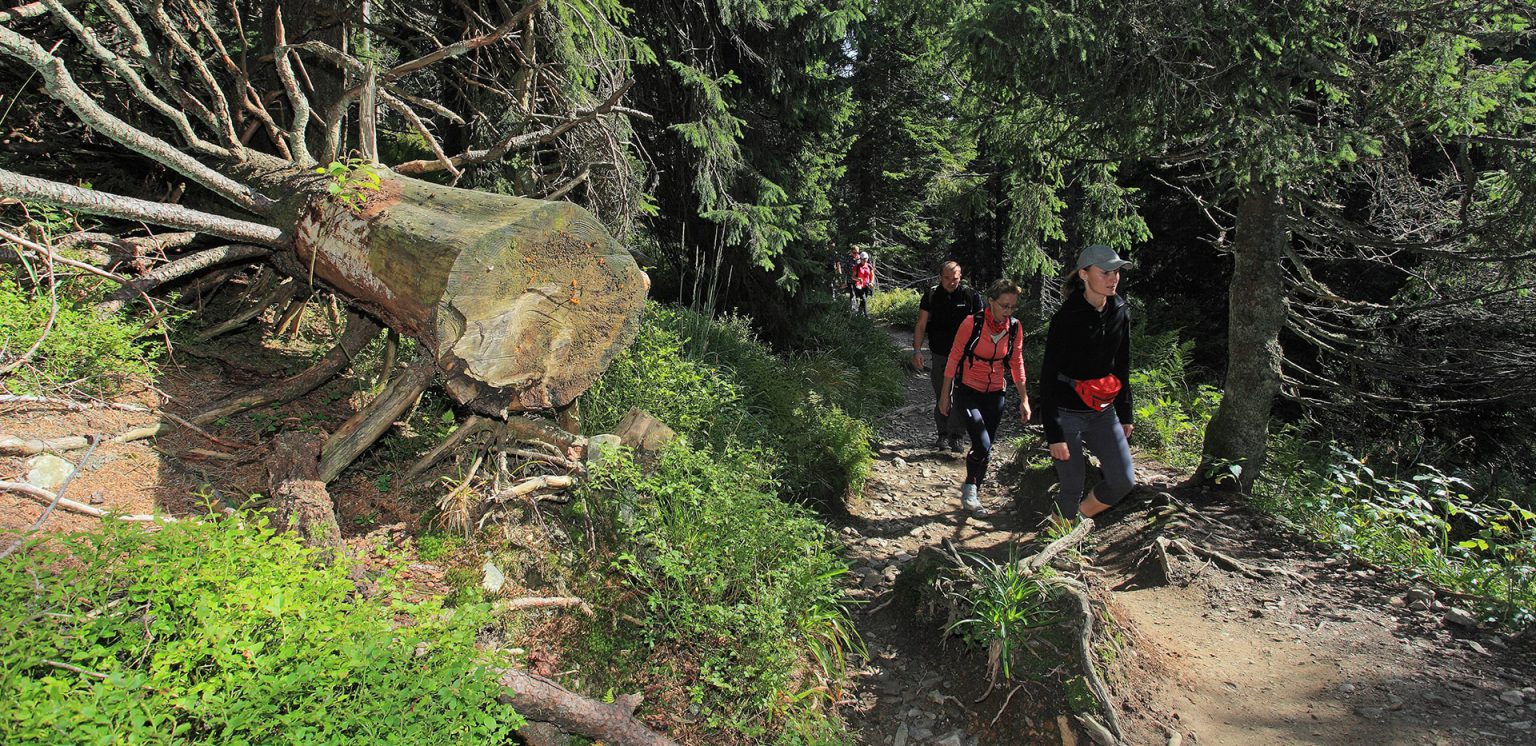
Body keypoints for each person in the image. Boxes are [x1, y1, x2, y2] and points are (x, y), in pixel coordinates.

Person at [1041, 244, 1137, 520]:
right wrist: (1054, 433)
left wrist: (1125, 413)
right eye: (1105, 272)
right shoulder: (1066, 319)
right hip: (1065, 412)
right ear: (1084, 274)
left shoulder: (1119, 310)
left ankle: (1075, 522)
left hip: (1102, 411)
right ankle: (1057, 540)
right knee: (1071, 485)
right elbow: (1047, 377)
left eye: (1117, 271)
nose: (1113, 278)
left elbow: (1122, 365)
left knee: (1123, 480)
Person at [939, 279, 1031, 514]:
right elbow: (954, 357)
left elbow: (1016, 362)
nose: (1008, 311)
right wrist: (945, 394)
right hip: (968, 390)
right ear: (991, 301)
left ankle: (974, 491)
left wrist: (1024, 399)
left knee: (986, 448)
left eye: (1012, 307)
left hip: (995, 393)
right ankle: (970, 489)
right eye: (1004, 305)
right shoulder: (972, 323)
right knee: (982, 442)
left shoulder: (1014, 327)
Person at [913, 261, 983, 452]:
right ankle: (942, 434)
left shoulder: (971, 296)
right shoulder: (932, 295)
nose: (951, 282)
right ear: (940, 277)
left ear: (960, 278)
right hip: (940, 353)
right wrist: (917, 350)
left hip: (965, 356)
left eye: (955, 279)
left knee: (960, 394)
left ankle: (957, 436)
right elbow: (921, 324)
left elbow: (982, 325)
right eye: (947, 278)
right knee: (941, 393)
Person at [851, 251, 875, 315]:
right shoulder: (857, 267)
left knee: (863, 300)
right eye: (863, 259)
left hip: (866, 286)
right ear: (860, 259)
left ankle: (859, 312)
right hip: (858, 286)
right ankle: (866, 315)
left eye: (866, 259)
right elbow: (853, 277)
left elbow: (872, 275)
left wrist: (871, 282)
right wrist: (858, 279)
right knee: (863, 299)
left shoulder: (869, 266)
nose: (865, 260)